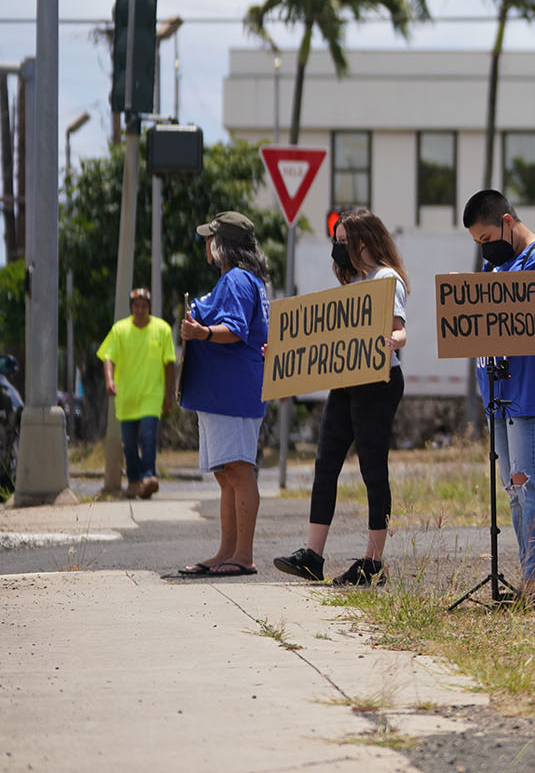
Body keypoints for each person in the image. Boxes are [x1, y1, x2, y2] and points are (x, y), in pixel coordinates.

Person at [274, 209, 410, 586]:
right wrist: (286, 355)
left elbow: (400, 332)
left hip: (379, 382)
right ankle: (313, 556)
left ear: (363, 241)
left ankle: (372, 562)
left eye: (342, 241)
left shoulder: (385, 278)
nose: (337, 248)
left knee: (372, 468)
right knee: (326, 462)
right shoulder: (356, 282)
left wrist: (390, 341)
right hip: (349, 381)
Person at [463, 189, 535, 608]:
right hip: (499, 392)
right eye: (477, 243)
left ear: (507, 222)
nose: (484, 248)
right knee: (512, 488)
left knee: (529, 484)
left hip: (528, 390)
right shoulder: (499, 265)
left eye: (486, 237)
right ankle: (528, 576)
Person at [174, 211, 273, 579]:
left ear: (222, 245)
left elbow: (234, 329)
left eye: (209, 238)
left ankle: (242, 555)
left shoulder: (235, 279)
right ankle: (227, 551)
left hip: (233, 393)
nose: (205, 245)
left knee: (238, 470)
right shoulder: (245, 280)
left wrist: (202, 334)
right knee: (227, 473)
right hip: (228, 393)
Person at [97, 288, 177, 499]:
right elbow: (108, 357)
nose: (140, 310)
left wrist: (169, 394)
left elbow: (170, 363)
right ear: (131, 308)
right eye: (136, 306)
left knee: (149, 437)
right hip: (127, 397)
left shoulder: (162, 329)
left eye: (144, 306)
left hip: (152, 395)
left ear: (149, 308)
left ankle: (149, 476)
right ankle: (134, 481)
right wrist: (109, 380)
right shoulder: (119, 330)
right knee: (130, 444)